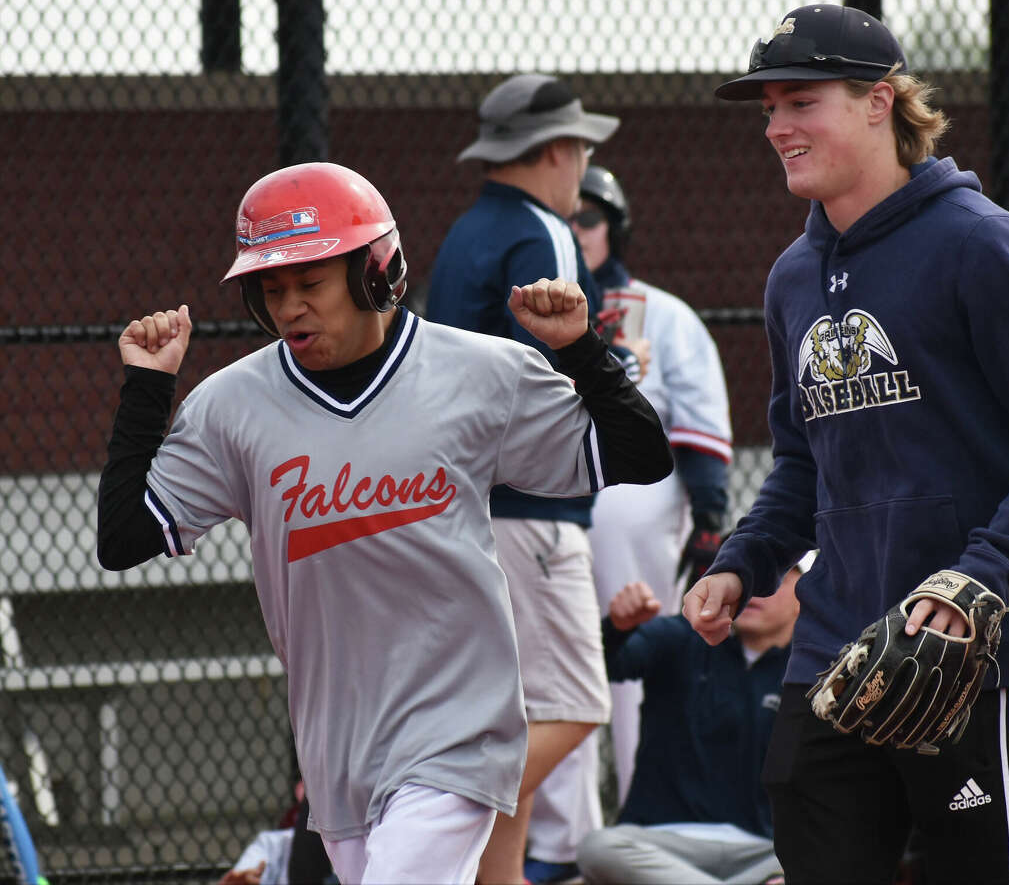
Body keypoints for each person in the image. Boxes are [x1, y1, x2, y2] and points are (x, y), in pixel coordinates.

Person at [94, 161, 673, 885]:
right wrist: (147, 388)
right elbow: (123, 540)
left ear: (376, 274)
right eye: (272, 290)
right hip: (337, 748)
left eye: (311, 284)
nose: (291, 307)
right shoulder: (231, 406)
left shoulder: (477, 372)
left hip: (459, 733)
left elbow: (640, 454)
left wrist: (581, 349)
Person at [682, 3, 1009, 885]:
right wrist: (744, 561)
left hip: (974, 654)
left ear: (880, 101)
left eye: (800, 102)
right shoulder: (793, 276)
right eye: (769, 108)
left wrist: (981, 579)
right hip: (836, 647)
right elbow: (802, 460)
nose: (776, 127)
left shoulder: (985, 245)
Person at [425, 73, 639, 884]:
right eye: (580, 148)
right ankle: (439, 820)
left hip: (473, 502)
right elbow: (553, 378)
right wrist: (617, 373)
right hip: (531, 504)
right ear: (555, 152)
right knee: (577, 703)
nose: (582, 166)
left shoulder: (467, 231)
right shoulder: (543, 233)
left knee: (511, 715)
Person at [524, 164, 733, 881]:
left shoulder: (661, 312)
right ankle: (562, 843)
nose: (579, 231)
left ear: (616, 226)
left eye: (591, 218)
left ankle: (652, 827)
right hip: (551, 516)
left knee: (638, 670)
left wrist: (711, 516)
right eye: (569, 218)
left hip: (639, 525)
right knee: (559, 676)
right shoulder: (522, 310)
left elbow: (702, 427)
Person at [574, 566, 798, 885]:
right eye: (742, 572)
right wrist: (617, 628)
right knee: (598, 847)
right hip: (657, 844)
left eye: (778, 573)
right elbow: (600, 667)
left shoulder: (816, 671)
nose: (756, 583)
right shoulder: (682, 636)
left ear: (806, 594)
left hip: (763, 853)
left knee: (831, 859)